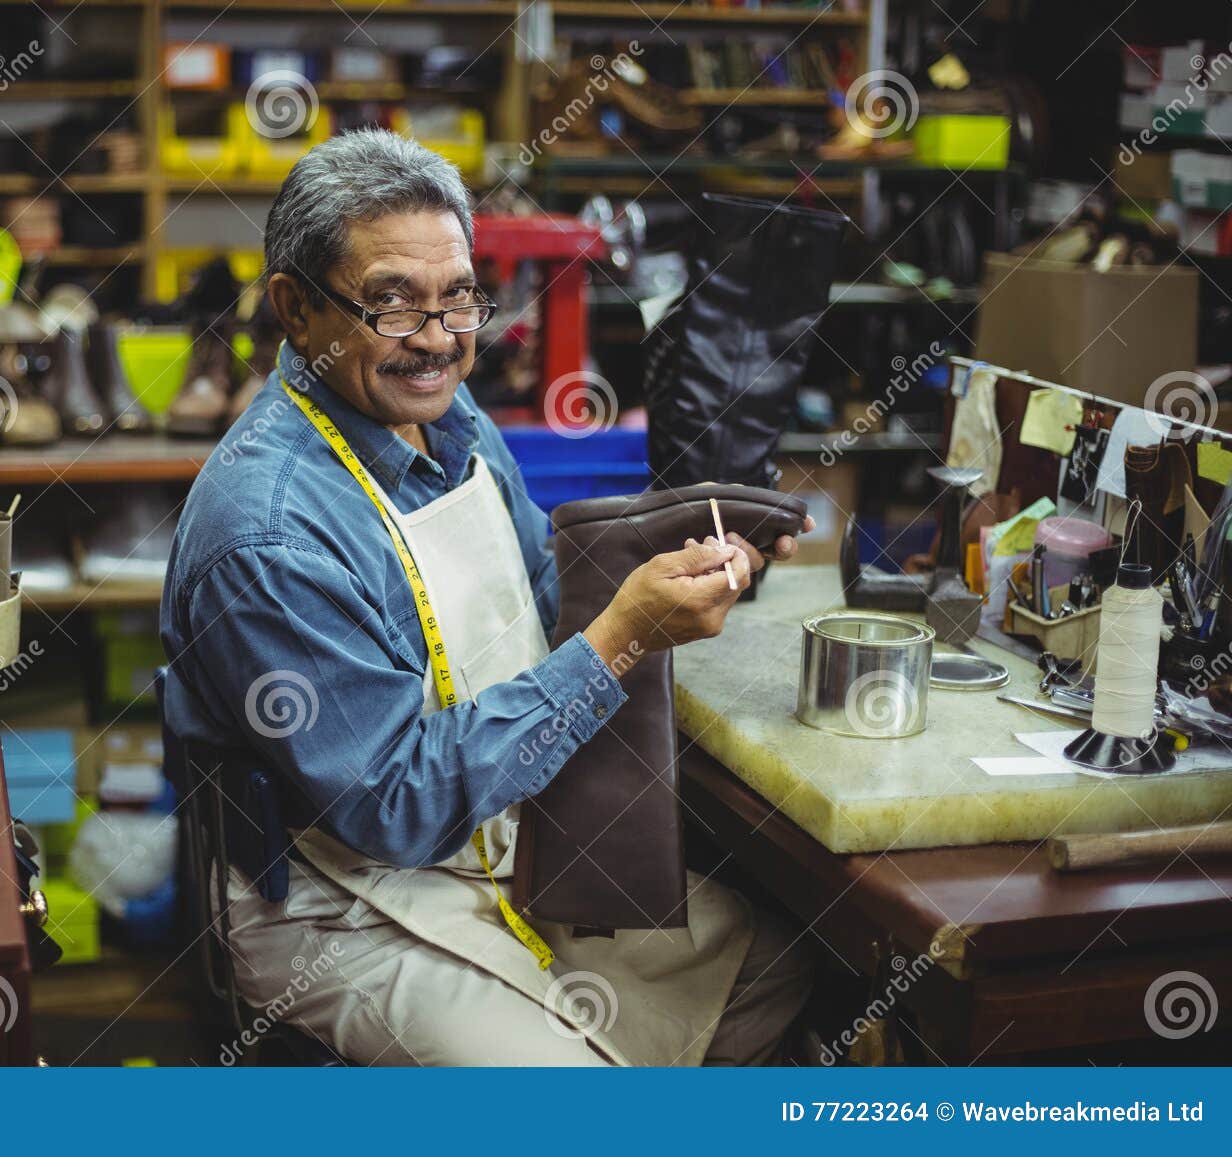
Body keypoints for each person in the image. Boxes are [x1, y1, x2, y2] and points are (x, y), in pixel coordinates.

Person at [161, 128, 814, 1066]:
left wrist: (683, 547)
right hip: (341, 898)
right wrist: (625, 634)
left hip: (495, 837)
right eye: (390, 304)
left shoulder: (447, 417)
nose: (436, 340)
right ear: (295, 310)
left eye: (458, 297)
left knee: (774, 967)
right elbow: (393, 806)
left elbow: (542, 592)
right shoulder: (266, 533)